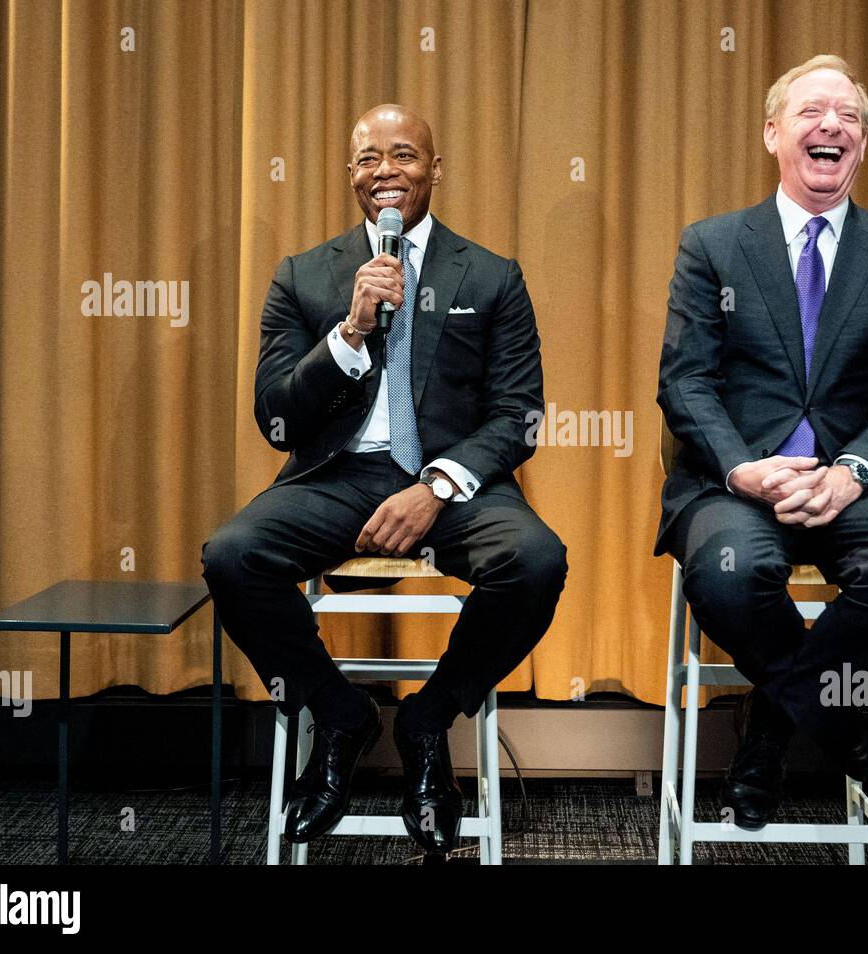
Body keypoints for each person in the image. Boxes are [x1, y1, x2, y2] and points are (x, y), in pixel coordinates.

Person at [202, 104, 566, 854]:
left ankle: (428, 721)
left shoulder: (492, 275)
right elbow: (276, 416)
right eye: (368, 158)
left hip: (450, 481)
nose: (385, 172)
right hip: (335, 474)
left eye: (403, 155)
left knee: (536, 562)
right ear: (350, 176)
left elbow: (519, 415)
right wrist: (351, 332)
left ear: (435, 169)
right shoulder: (304, 275)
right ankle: (339, 714)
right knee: (231, 557)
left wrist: (436, 487)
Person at [656, 55, 868, 830]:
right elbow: (686, 382)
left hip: (862, 480)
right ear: (772, 133)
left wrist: (855, 468)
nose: (832, 126)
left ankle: (771, 727)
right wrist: (742, 468)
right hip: (740, 482)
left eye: (849, 117)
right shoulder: (714, 245)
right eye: (813, 113)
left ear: (861, 142)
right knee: (725, 576)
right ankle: (833, 714)